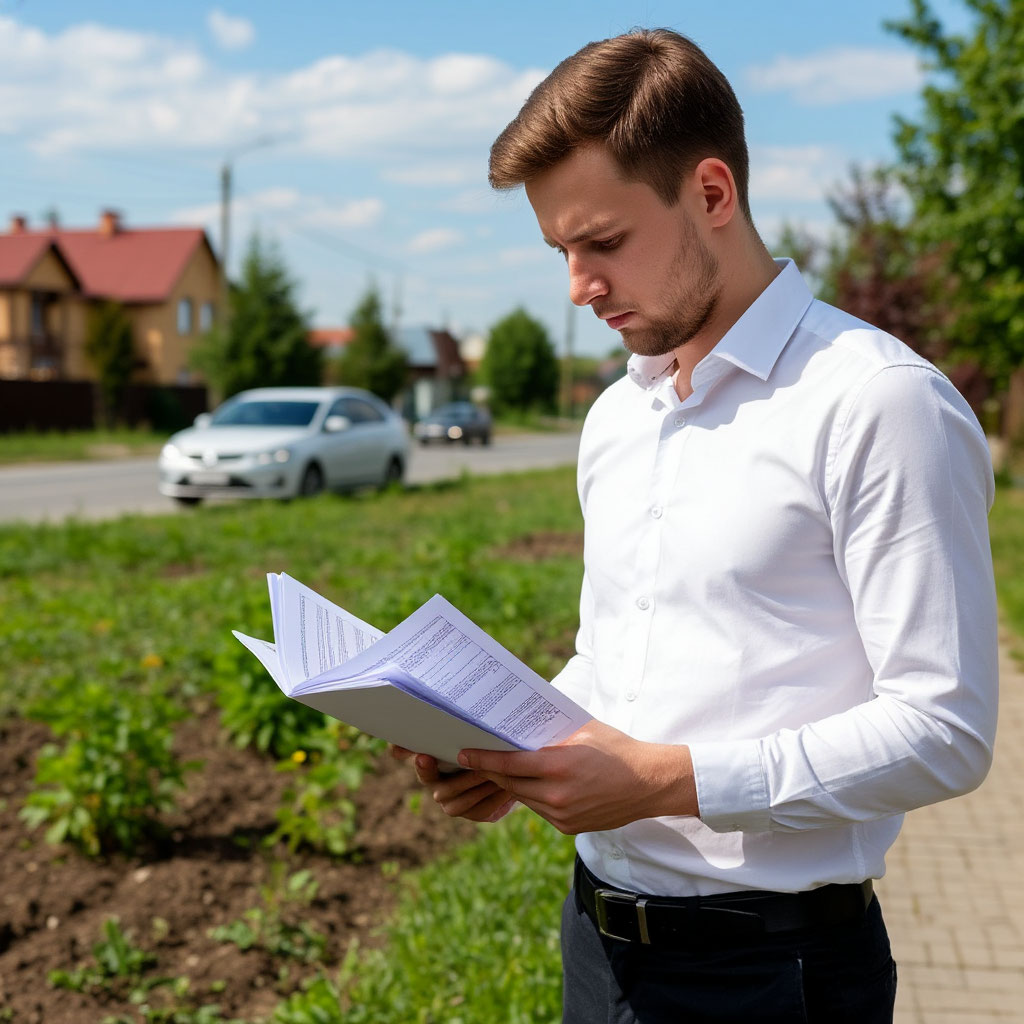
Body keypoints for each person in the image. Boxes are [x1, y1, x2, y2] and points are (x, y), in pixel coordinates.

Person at [394, 27, 998, 1023]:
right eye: (561, 250)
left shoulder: (877, 403)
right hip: (596, 942)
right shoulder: (616, 417)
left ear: (710, 195)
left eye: (603, 242)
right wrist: (510, 747)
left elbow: (944, 730)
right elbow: (619, 658)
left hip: (772, 971)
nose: (577, 286)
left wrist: (665, 784)